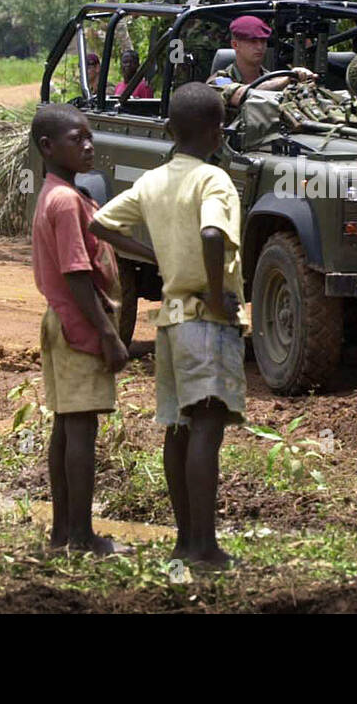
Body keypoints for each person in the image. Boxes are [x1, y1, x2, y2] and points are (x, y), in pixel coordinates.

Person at [90, 83, 247, 570]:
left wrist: (154, 255)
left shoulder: (153, 181)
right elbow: (211, 232)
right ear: (219, 132)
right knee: (206, 426)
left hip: (171, 321)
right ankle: (204, 547)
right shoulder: (214, 180)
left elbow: (99, 224)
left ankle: (184, 540)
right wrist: (221, 293)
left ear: (170, 130)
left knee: (178, 428)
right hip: (205, 317)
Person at [30, 103, 135, 556]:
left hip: (62, 322)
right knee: (81, 431)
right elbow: (76, 273)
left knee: (67, 426)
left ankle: (61, 533)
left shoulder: (58, 193)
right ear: (48, 147)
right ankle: (80, 535)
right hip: (78, 325)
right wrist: (108, 335)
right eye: (78, 139)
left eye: (90, 137)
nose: (88, 146)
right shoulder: (66, 201)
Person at [207, 15, 315, 108]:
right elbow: (241, 95)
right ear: (235, 45)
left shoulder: (274, 79)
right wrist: (286, 80)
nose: (260, 47)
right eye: (253, 41)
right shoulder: (220, 81)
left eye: (263, 41)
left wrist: (304, 81)